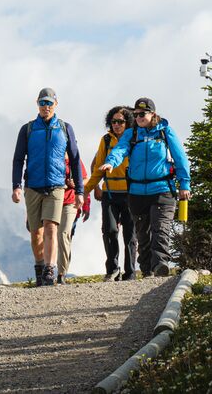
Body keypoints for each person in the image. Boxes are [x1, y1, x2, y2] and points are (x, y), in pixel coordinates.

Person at [98, 98, 191, 277]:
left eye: (142, 114)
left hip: (162, 189)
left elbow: (181, 158)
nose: (139, 117)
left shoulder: (165, 132)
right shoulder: (131, 134)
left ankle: (161, 265)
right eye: (136, 114)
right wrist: (110, 162)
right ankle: (148, 269)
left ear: (153, 114)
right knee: (143, 234)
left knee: (160, 229)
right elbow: (120, 150)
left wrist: (184, 184)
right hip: (137, 192)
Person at [12, 87, 84, 286]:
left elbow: (76, 160)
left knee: (51, 227)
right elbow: (18, 159)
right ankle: (39, 267)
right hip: (32, 187)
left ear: (56, 104)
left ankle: (49, 271)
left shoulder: (64, 128)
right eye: (42, 103)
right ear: (37, 104)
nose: (46, 106)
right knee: (36, 232)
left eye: (49, 103)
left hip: (56, 187)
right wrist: (16, 186)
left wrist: (79, 190)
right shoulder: (27, 129)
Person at [84, 106, 138, 282]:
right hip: (110, 193)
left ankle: (130, 272)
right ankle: (112, 269)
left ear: (128, 122)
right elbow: (98, 168)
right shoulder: (106, 140)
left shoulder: (135, 140)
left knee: (130, 234)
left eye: (120, 121)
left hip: (130, 193)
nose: (116, 125)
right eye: (114, 121)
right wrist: (85, 191)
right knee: (109, 231)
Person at [56, 157, 92, 284]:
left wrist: (86, 203)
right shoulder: (48, 153)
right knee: (54, 236)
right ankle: (49, 272)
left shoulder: (73, 157)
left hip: (71, 202)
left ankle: (61, 273)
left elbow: (86, 180)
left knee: (64, 234)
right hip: (52, 200)